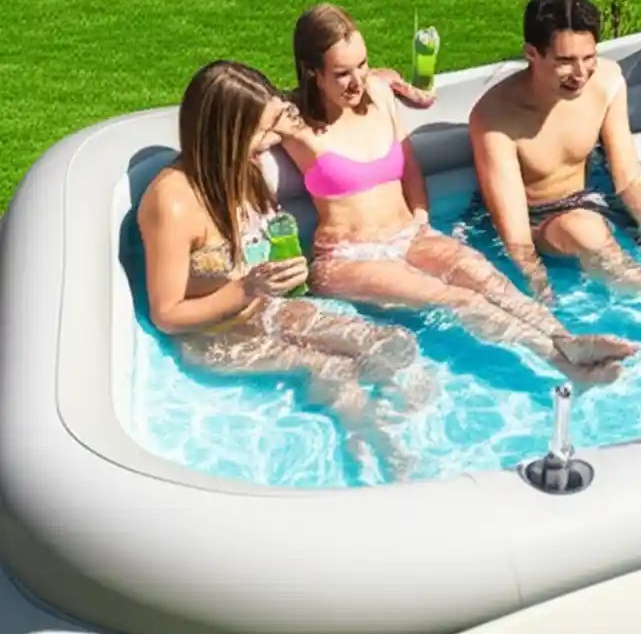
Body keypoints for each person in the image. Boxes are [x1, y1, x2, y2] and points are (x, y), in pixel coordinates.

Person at [275, 3, 640, 385]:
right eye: (341, 73)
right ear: (312, 71)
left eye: (362, 65)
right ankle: (561, 362)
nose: (357, 81)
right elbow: (232, 112)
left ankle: (569, 340)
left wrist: (420, 217)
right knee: (458, 298)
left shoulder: (378, 93)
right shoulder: (292, 120)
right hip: (346, 256)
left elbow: (411, 167)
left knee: (485, 277)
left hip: (409, 234)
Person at [136, 60, 434, 483]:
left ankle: (390, 424)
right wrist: (244, 290)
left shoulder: (241, 172)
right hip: (210, 335)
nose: (273, 140)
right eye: (261, 132)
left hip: (262, 308)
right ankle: (380, 459)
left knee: (390, 342)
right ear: (227, 132)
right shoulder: (173, 202)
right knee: (331, 369)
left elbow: (308, 98)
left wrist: (378, 79)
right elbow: (166, 315)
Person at [468, 0, 641, 325]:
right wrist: (539, 293)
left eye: (588, 57)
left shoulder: (606, 81)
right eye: (565, 62)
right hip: (541, 221)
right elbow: (516, 234)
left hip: (592, 199)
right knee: (584, 228)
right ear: (531, 54)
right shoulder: (495, 117)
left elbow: (626, 177)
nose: (581, 73)